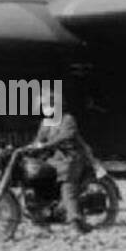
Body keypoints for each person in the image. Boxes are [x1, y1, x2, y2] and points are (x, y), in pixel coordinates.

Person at [27, 98, 91, 232]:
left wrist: (46, 145)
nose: (46, 108)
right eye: (44, 106)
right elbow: (39, 140)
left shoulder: (67, 119)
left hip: (71, 158)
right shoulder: (46, 122)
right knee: (36, 178)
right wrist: (30, 147)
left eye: (49, 105)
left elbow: (67, 135)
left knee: (68, 187)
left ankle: (75, 221)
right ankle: (42, 216)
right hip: (54, 159)